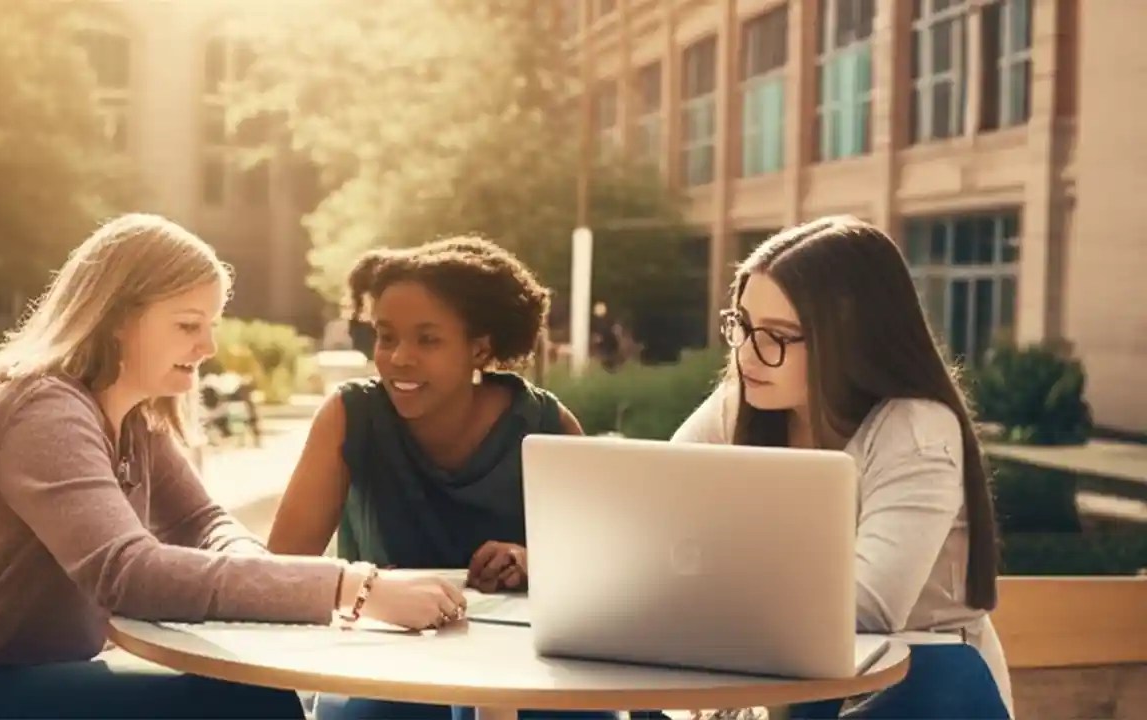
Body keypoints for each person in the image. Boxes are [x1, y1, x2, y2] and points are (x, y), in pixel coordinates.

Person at [0, 214, 465, 720]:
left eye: (210, 326)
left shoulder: (133, 418)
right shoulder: (42, 411)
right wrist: (352, 587)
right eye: (187, 325)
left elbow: (205, 523)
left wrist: (268, 578)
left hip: (34, 680)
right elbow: (127, 572)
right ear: (116, 317)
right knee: (244, 703)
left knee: (251, 690)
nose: (207, 348)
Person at [672, 216, 1013, 718]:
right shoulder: (742, 404)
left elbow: (867, 606)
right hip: (789, 683)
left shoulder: (916, 428)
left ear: (850, 338)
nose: (747, 353)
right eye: (740, 326)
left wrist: (712, 595)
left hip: (917, 689)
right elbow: (657, 517)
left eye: (777, 336)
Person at [268, 237, 601, 720]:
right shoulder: (350, 417)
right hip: (387, 670)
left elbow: (606, 575)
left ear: (479, 349)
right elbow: (281, 571)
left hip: (526, 670)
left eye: (428, 339)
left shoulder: (544, 424)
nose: (399, 357)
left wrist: (535, 561)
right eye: (386, 336)